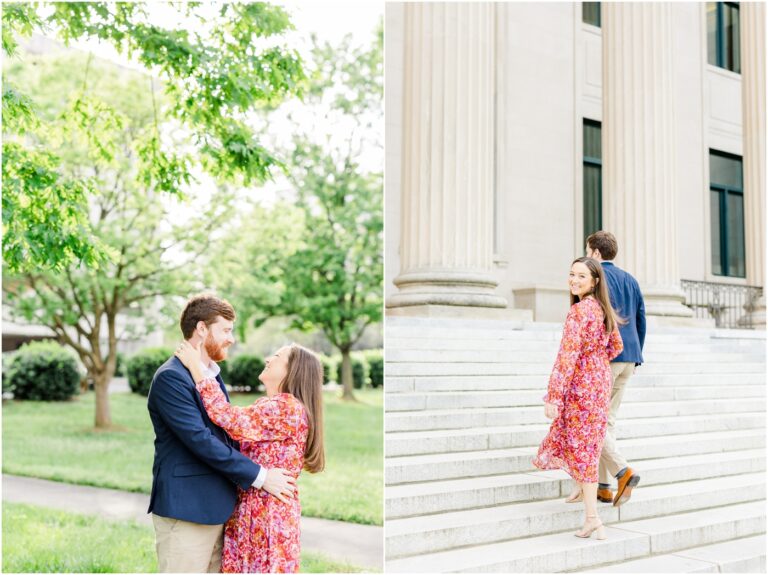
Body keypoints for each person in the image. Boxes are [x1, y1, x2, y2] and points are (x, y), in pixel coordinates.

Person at [147, 294, 296, 573]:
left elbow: (228, 428)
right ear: (202, 329)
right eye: (226, 330)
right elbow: (201, 441)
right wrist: (261, 477)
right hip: (187, 511)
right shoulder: (171, 377)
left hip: (218, 509)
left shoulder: (210, 374)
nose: (231, 338)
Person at [175, 340, 325, 573]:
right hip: (256, 507)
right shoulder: (276, 406)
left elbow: (227, 417)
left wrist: (196, 367)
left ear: (293, 370)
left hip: (266, 513)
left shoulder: (287, 407)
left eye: (276, 356)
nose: (268, 359)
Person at [533, 257, 623, 540]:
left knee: (583, 450)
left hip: (581, 386)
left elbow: (567, 355)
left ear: (595, 281)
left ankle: (593, 518)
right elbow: (616, 346)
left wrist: (553, 395)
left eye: (581, 276)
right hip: (599, 382)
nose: (573, 280)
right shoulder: (602, 308)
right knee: (588, 448)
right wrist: (596, 361)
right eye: (571, 274)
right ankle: (591, 517)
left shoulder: (579, 311)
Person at [586, 231, 646, 506]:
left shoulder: (595, 279)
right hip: (629, 356)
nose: (587, 256)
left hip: (606, 358)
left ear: (596, 253)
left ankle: (623, 471)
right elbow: (640, 319)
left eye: (588, 251)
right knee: (606, 419)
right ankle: (603, 486)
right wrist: (636, 356)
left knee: (594, 420)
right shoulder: (631, 280)